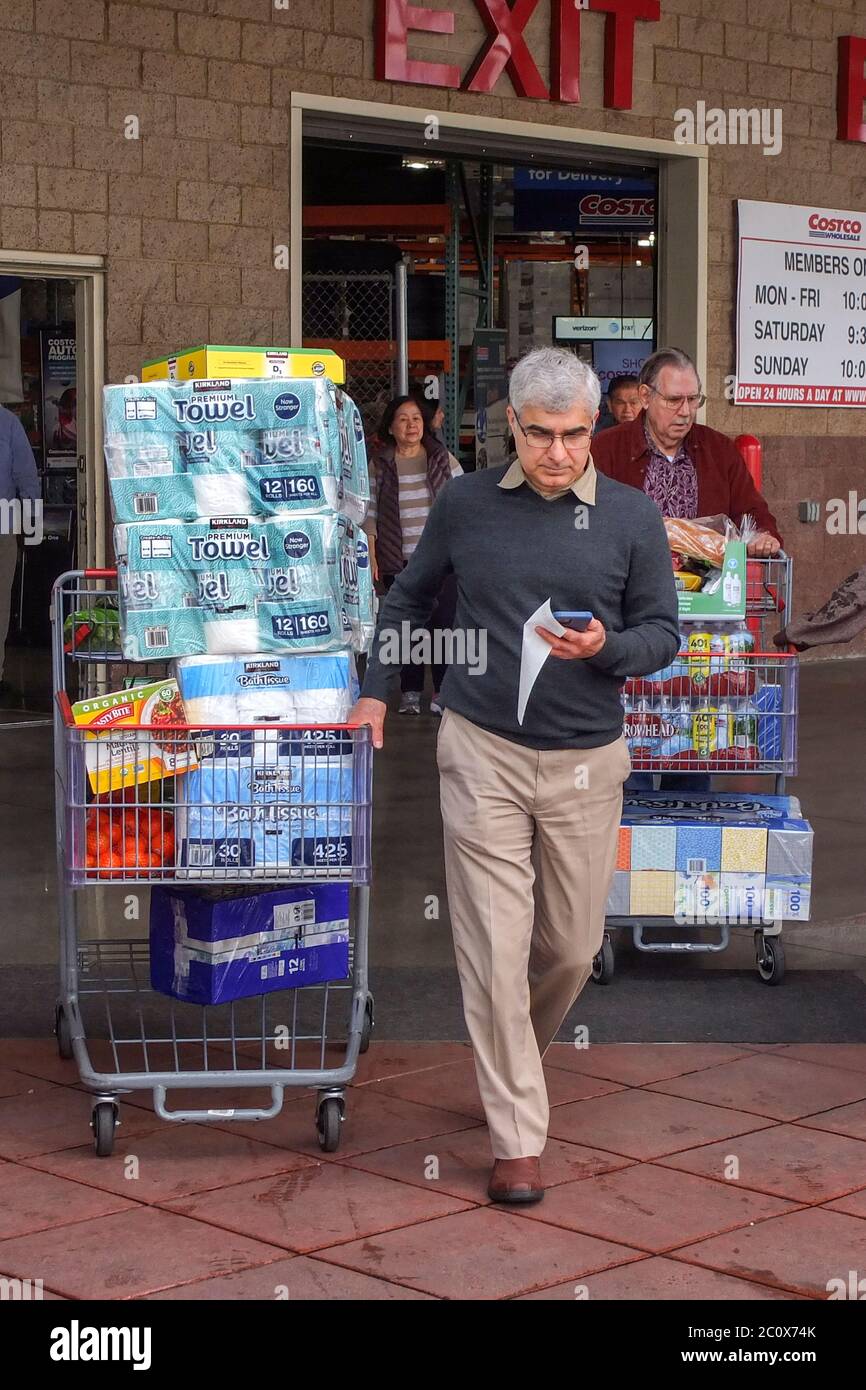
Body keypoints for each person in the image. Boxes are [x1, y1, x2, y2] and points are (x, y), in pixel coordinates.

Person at [350, 348, 679, 1203]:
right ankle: (516, 1133)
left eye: (576, 435)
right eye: (541, 436)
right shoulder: (464, 504)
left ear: (597, 427)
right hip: (481, 750)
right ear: (511, 425)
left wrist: (610, 648)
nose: (560, 454)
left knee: (571, 947)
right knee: (494, 949)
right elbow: (407, 600)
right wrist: (377, 695)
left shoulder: (633, 520)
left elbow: (663, 635)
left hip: (586, 759)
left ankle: (511, 1061)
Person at [592, 347, 783, 555]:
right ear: (645, 397)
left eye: (692, 400)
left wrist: (762, 535)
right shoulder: (606, 448)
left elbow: (751, 511)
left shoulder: (719, 450)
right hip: (630, 581)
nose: (685, 412)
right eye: (673, 400)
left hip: (708, 582)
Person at [364, 395, 462, 714]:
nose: (411, 425)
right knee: (407, 627)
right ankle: (410, 691)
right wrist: (372, 555)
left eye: (417, 418)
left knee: (444, 624)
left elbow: (464, 504)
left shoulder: (442, 459)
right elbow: (369, 512)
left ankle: (443, 691)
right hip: (399, 558)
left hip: (442, 559)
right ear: (391, 427)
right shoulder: (381, 463)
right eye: (403, 419)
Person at [0, 404, 40, 697]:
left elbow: (26, 478)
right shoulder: (8, 423)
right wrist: (32, 527)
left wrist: (31, 526)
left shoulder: (8, 423)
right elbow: (26, 477)